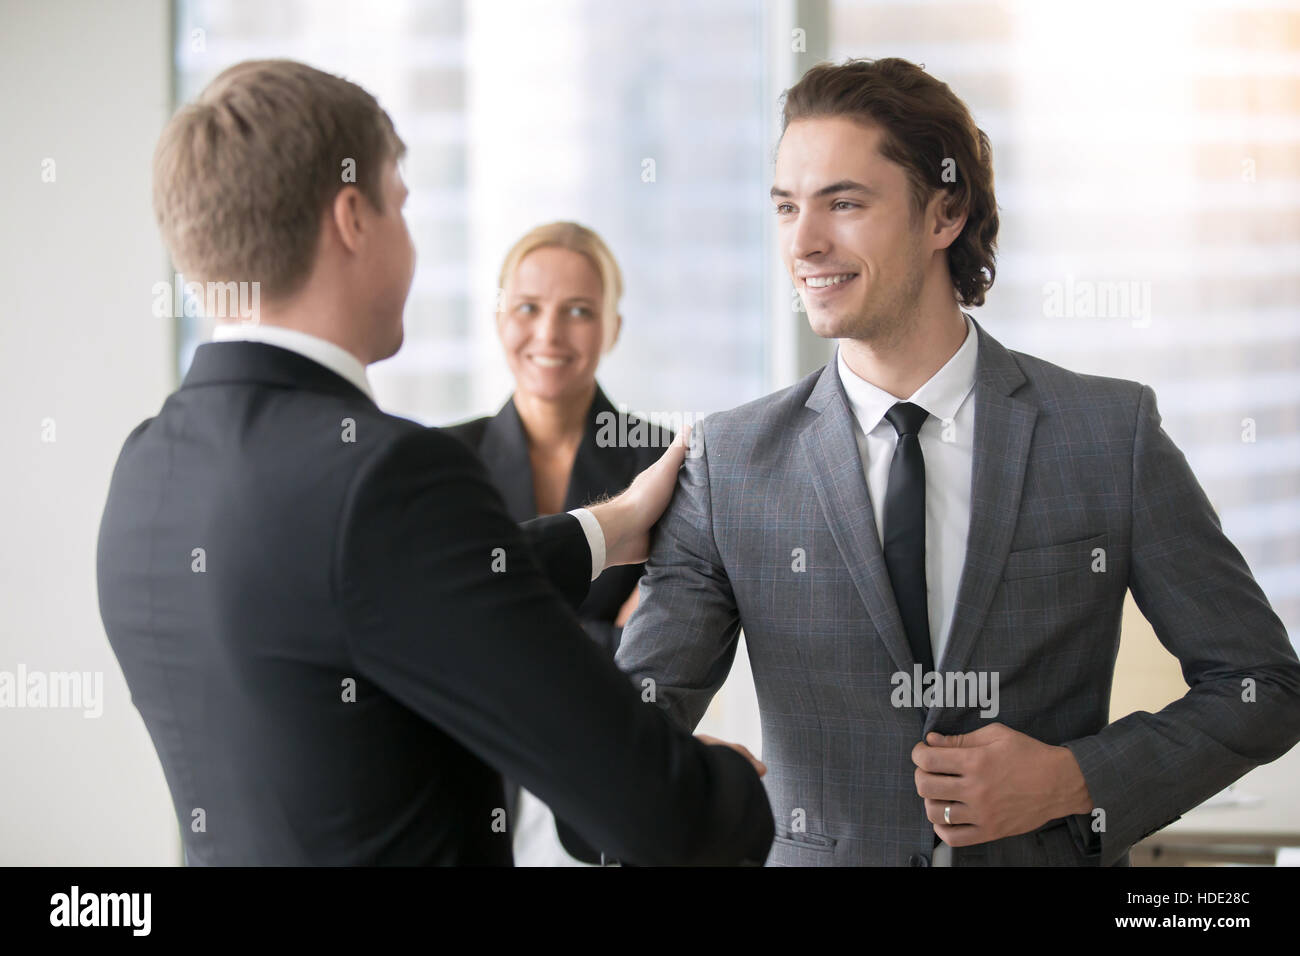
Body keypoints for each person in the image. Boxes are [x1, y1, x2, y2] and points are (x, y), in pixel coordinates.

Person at [613, 56, 1300, 866]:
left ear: (944, 214)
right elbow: (623, 738)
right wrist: (679, 782)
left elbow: (1261, 687)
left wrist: (1075, 778)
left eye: (844, 202)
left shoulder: (1109, 434)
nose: (804, 241)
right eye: (788, 207)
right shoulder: (729, 464)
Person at [95, 58, 772, 866]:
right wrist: (744, 790)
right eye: (402, 206)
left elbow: (379, 593)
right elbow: (653, 813)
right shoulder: (391, 479)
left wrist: (605, 528)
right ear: (353, 217)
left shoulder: (145, 470)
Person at [446, 222, 670, 865]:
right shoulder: (443, 463)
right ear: (499, 318)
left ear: (612, 328)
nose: (549, 334)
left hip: (614, 781)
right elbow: (442, 637)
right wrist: (605, 632)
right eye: (528, 308)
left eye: (578, 311)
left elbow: (667, 647)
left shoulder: (658, 465)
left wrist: (509, 626)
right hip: (473, 786)